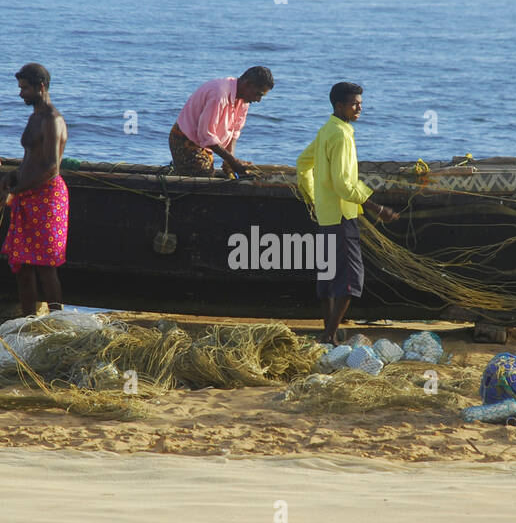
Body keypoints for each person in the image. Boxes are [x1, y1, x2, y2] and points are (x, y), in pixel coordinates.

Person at [296, 81, 399, 345]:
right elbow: (343, 184)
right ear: (339, 105)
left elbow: (302, 165)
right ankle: (330, 334)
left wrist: (313, 199)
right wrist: (376, 208)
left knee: (328, 276)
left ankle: (327, 332)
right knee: (350, 278)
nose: (359, 108)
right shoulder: (341, 134)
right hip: (342, 217)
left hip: (326, 215)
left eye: (361, 104)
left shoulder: (327, 129)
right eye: (355, 104)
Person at [0, 63, 69, 316]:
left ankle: (57, 318)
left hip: (47, 197)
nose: (21, 94)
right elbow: (32, 159)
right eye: (20, 88)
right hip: (26, 194)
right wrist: (14, 175)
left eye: (25, 88)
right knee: (23, 264)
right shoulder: (34, 117)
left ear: (41, 87)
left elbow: (52, 167)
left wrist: (15, 192)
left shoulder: (53, 120)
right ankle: (27, 319)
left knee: (45, 265)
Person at [169, 67, 272, 178]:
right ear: (247, 84)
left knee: (212, 174)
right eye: (258, 94)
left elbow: (234, 132)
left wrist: (230, 161)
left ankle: (180, 170)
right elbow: (206, 135)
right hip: (184, 139)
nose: (258, 100)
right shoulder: (219, 95)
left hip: (203, 145)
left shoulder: (244, 100)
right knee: (204, 177)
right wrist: (233, 161)